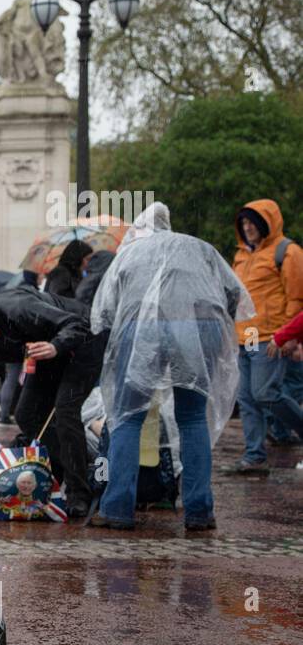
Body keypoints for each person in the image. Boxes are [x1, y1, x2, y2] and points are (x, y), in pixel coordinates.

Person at [89, 201, 252, 530]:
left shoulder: (132, 252)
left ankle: (117, 509)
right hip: (197, 328)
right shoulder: (200, 248)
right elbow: (234, 292)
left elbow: (103, 311)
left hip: (142, 332)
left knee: (128, 418)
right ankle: (199, 511)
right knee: (192, 419)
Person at [0, 286, 96, 516]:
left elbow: (77, 324)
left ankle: (79, 493)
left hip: (81, 342)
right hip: (47, 350)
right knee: (27, 414)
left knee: (66, 411)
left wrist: (57, 346)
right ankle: (68, 466)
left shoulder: (17, 309)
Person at [228, 199, 303, 474]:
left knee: (265, 393)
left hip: (270, 336)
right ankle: (254, 456)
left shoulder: (289, 252)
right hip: (245, 335)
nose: (247, 228)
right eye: (244, 223)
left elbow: (297, 298)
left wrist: (290, 337)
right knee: (248, 398)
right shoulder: (242, 255)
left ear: (266, 223)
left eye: (253, 222)